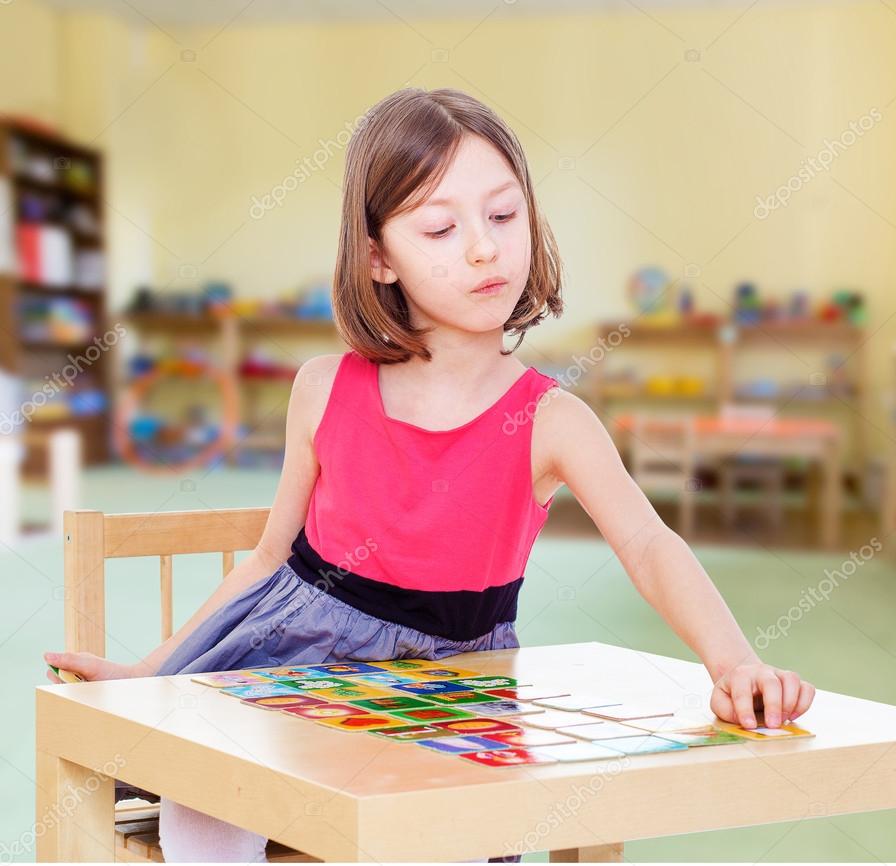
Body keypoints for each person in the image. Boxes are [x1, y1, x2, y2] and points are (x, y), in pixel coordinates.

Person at [43, 87, 815, 862]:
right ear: (378, 257)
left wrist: (735, 661)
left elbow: (649, 544)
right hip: (287, 667)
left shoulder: (552, 420)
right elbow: (268, 561)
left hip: (448, 691)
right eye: (441, 227)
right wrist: (147, 674)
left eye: (505, 216)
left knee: (439, 835)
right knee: (205, 809)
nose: (484, 249)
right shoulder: (322, 388)